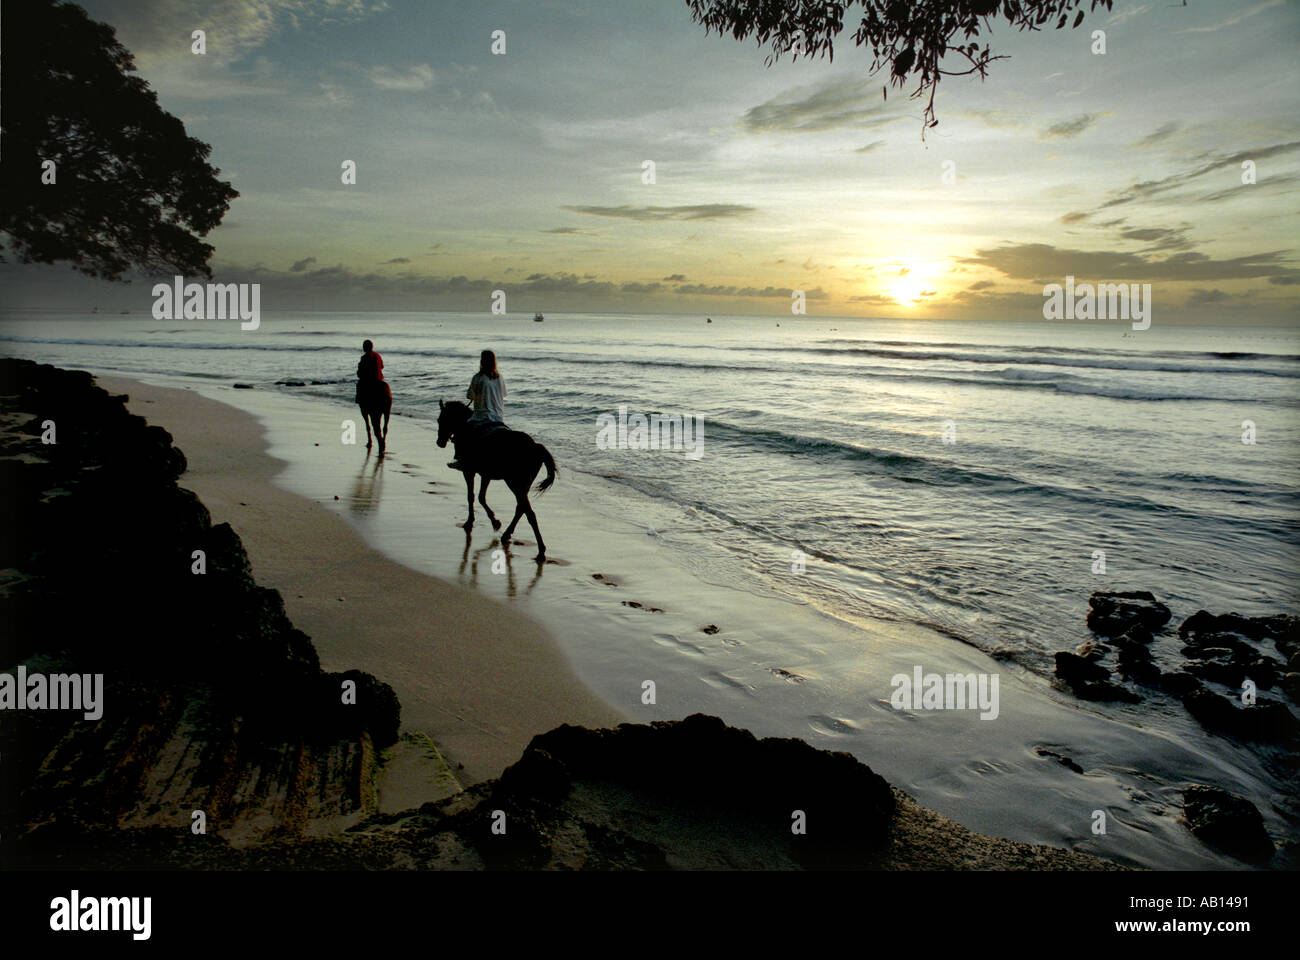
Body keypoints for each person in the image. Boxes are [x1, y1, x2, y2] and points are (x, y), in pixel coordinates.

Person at [448, 350, 506, 470]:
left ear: (482, 361)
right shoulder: (500, 377)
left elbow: (469, 395)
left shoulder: (478, 378)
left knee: (461, 433)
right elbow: (503, 394)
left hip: (482, 417)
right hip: (499, 417)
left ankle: (460, 460)